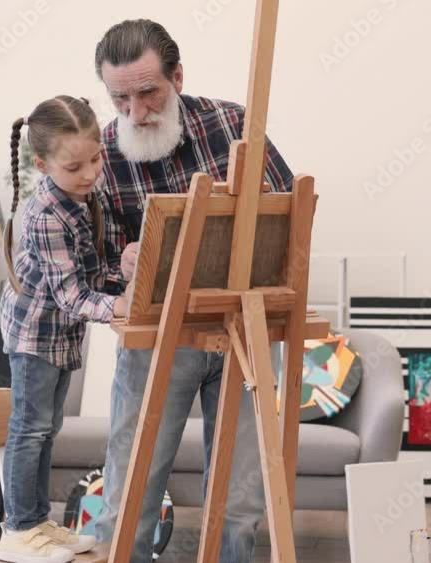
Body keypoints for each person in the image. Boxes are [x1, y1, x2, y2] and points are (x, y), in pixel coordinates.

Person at [91, 20, 295, 563]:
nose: (136, 111)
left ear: (178, 76)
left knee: (242, 502)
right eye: (120, 98)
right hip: (159, 340)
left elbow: (292, 219)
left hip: (245, 330)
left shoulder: (233, 125)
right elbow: (95, 266)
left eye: (149, 91)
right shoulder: (102, 152)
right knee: (128, 492)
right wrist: (122, 263)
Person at [0, 95, 130, 563]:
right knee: (29, 430)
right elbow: (71, 295)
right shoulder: (46, 215)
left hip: (61, 334)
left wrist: (123, 268)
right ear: (43, 163)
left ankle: (38, 523)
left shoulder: (80, 197)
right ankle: (17, 529)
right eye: (76, 166)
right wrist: (119, 306)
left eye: (96, 159)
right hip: (35, 336)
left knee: (47, 428)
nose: (92, 173)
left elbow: (92, 270)